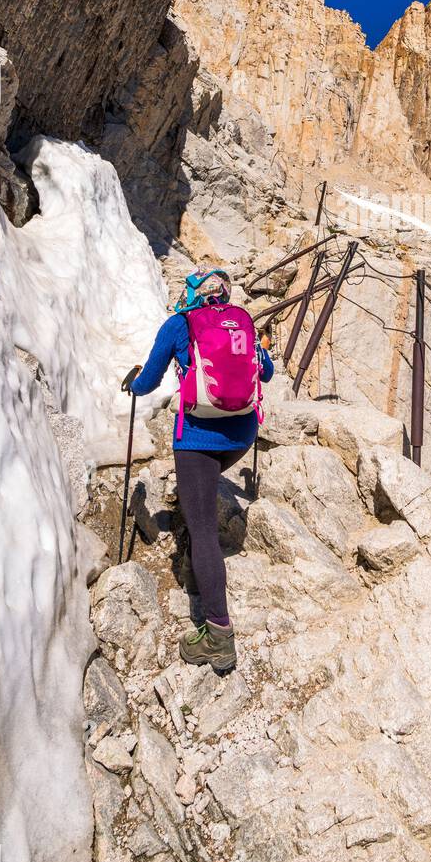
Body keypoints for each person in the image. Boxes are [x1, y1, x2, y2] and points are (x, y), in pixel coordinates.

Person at [125, 269, 273, 674]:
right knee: (200, 501)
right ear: (223, 294)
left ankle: (218, 636)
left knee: (203, 528)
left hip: (197, 439)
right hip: (242, 435)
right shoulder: (241, 321)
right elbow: (268, 372)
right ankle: (199, 552)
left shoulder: (179, 324)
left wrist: (132, 386)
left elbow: (149, 380)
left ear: (191, 296)